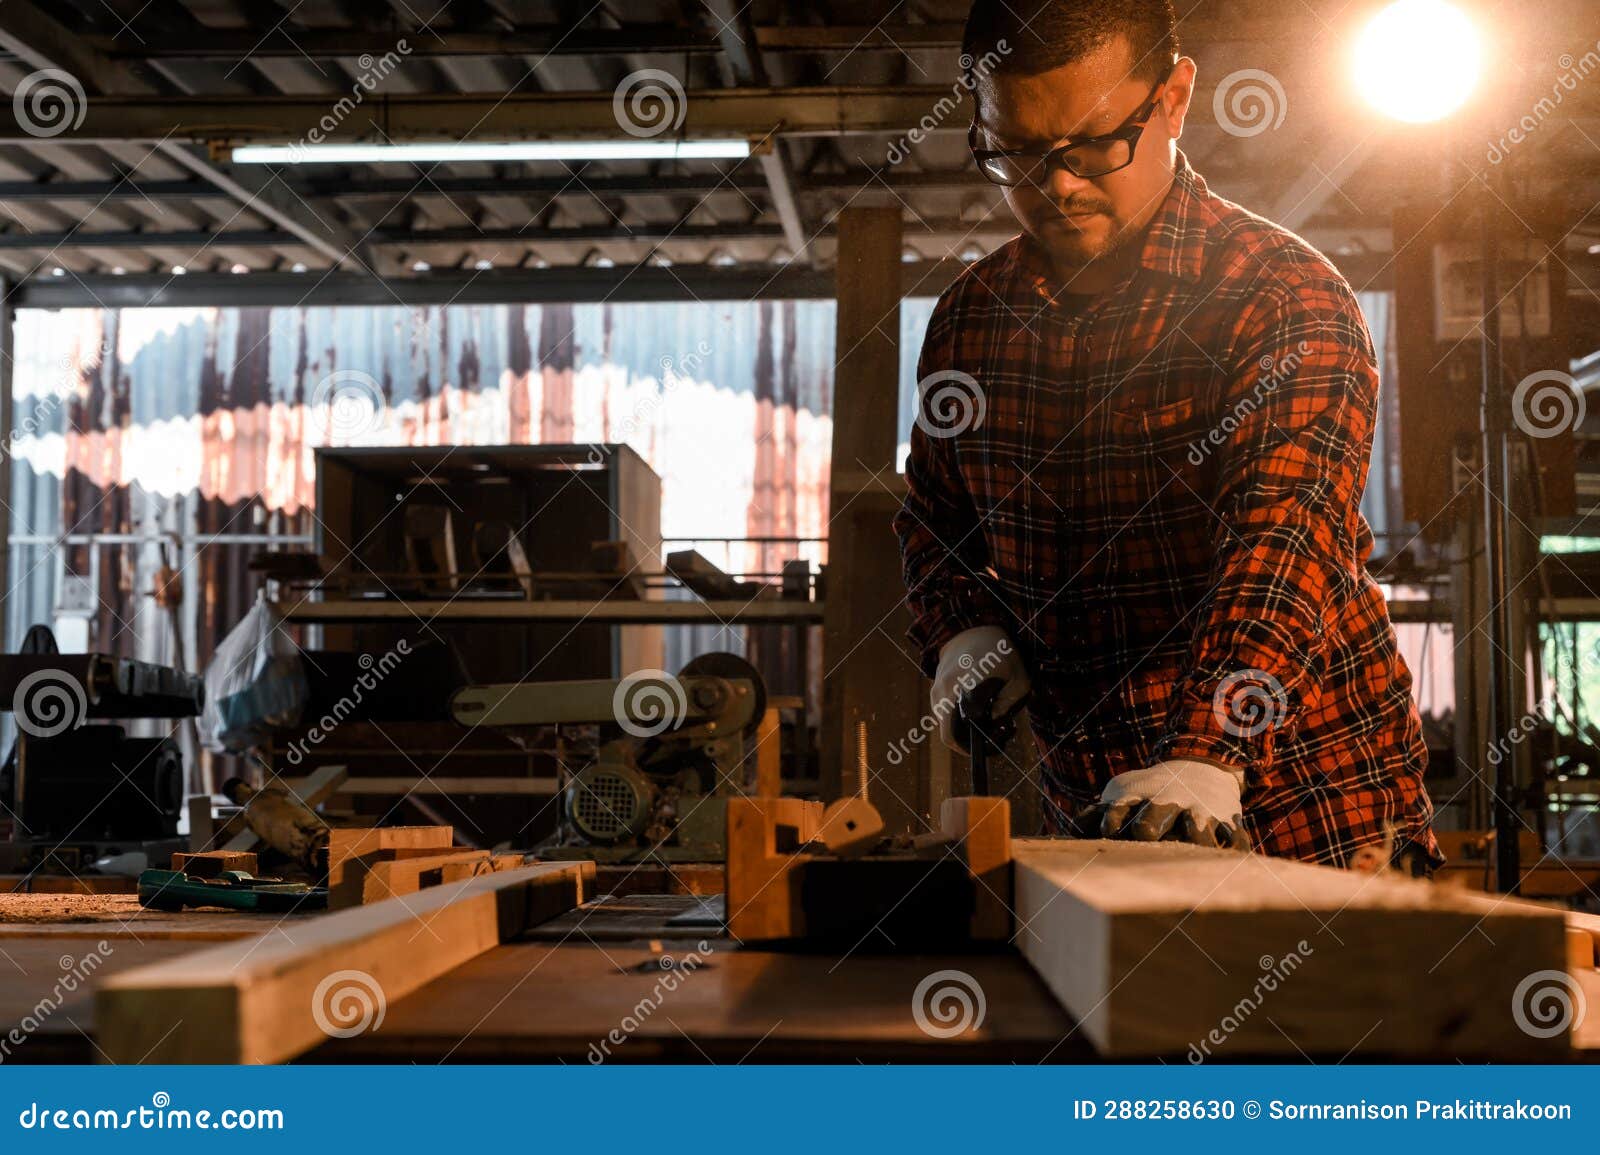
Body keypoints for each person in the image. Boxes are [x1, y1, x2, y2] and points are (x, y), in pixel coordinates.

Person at [894, 0, 1440, 871]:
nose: (1059, 186)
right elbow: (933, 519)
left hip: (1313, 814)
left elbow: (1282, 542)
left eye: (1094, 144)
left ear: (1174, 99)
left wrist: (1209, 750)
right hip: (1098, 816)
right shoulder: (970, 322)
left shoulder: (1283, 299)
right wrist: (963, 627)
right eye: (1018, 152)